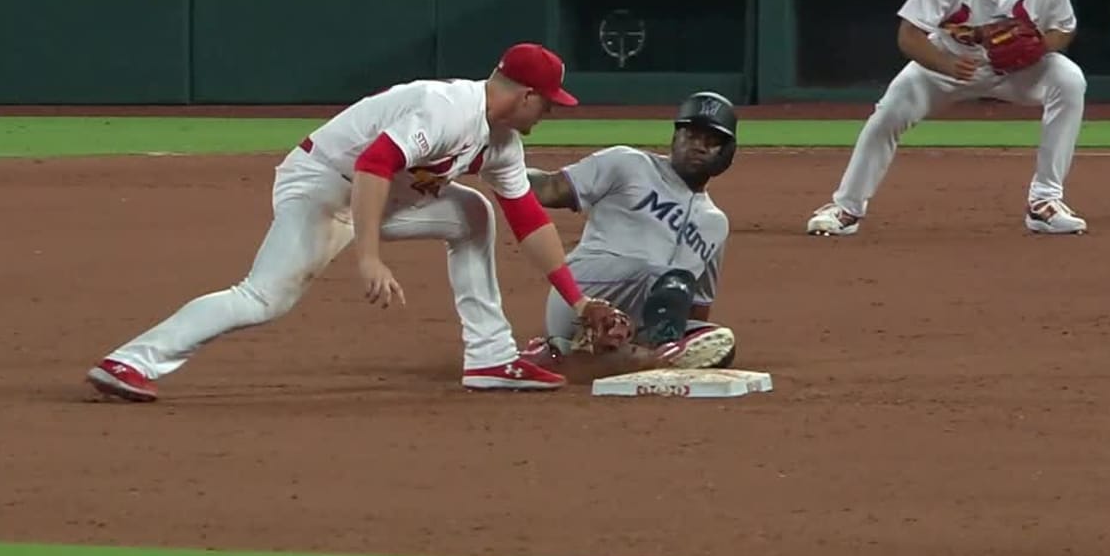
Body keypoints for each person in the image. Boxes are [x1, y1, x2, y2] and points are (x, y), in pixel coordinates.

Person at [86, 43, 628, 402]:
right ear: (525, 95)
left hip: (380, 193)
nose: (551, 113)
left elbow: (528, 217)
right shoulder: (448, 109)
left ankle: (491, 358)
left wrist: (580, 302)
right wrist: (369, 256)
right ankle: (130, 361)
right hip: (323, 183)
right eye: (549, 103)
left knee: (473, 214)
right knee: (265, 297)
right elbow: (373, 163)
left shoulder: (501, 139)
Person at [806, 0, 1089, 238]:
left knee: (1069, 80)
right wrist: (947, 64)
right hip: (945, 64)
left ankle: (1045, 201)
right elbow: (909, 36)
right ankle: (846, 207)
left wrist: (1039, 49)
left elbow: (1065, 27)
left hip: (1014, 71)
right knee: (887, 116)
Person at [520, 91, 739, 374]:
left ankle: (571, 357)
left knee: (717, 340)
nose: (698, 146)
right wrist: (505, 170)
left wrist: (690, 332)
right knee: (666, 275)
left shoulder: (715, 225)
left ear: (727, 153)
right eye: (690, 135)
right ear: (675, 137)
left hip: (635, 317)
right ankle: (654, 356)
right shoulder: (628, 164)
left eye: (711, 141)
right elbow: (550, 188)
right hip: (581, 292)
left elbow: (695, 305)